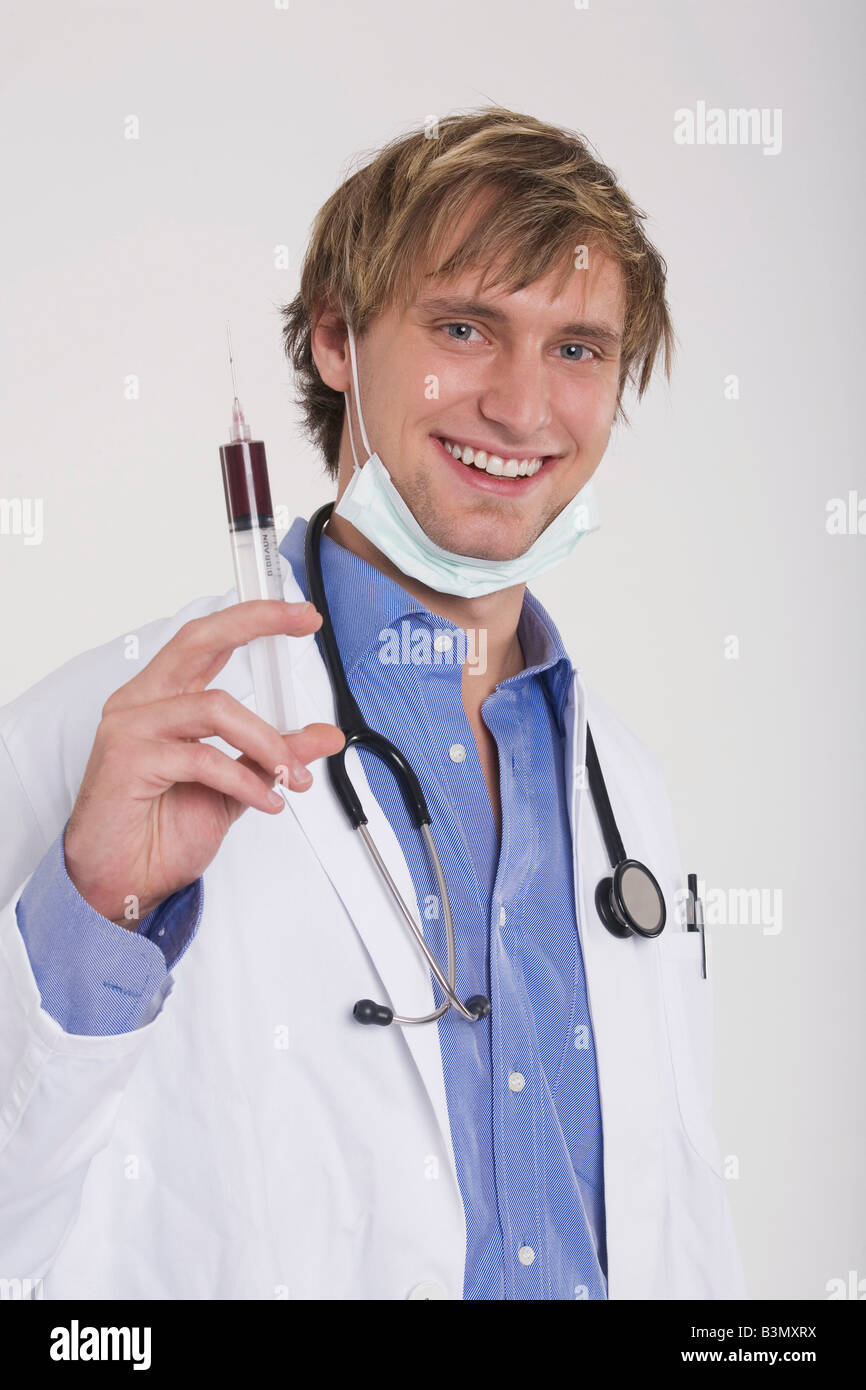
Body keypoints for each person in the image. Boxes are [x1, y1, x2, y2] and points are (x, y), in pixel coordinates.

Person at [0, 107, 745, 1300]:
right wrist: (99, 906)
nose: (521, 407)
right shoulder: (109, 739)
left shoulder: (624, 792)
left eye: (577, 349)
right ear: (338, 339)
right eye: (464, 327)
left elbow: (673, 1227)